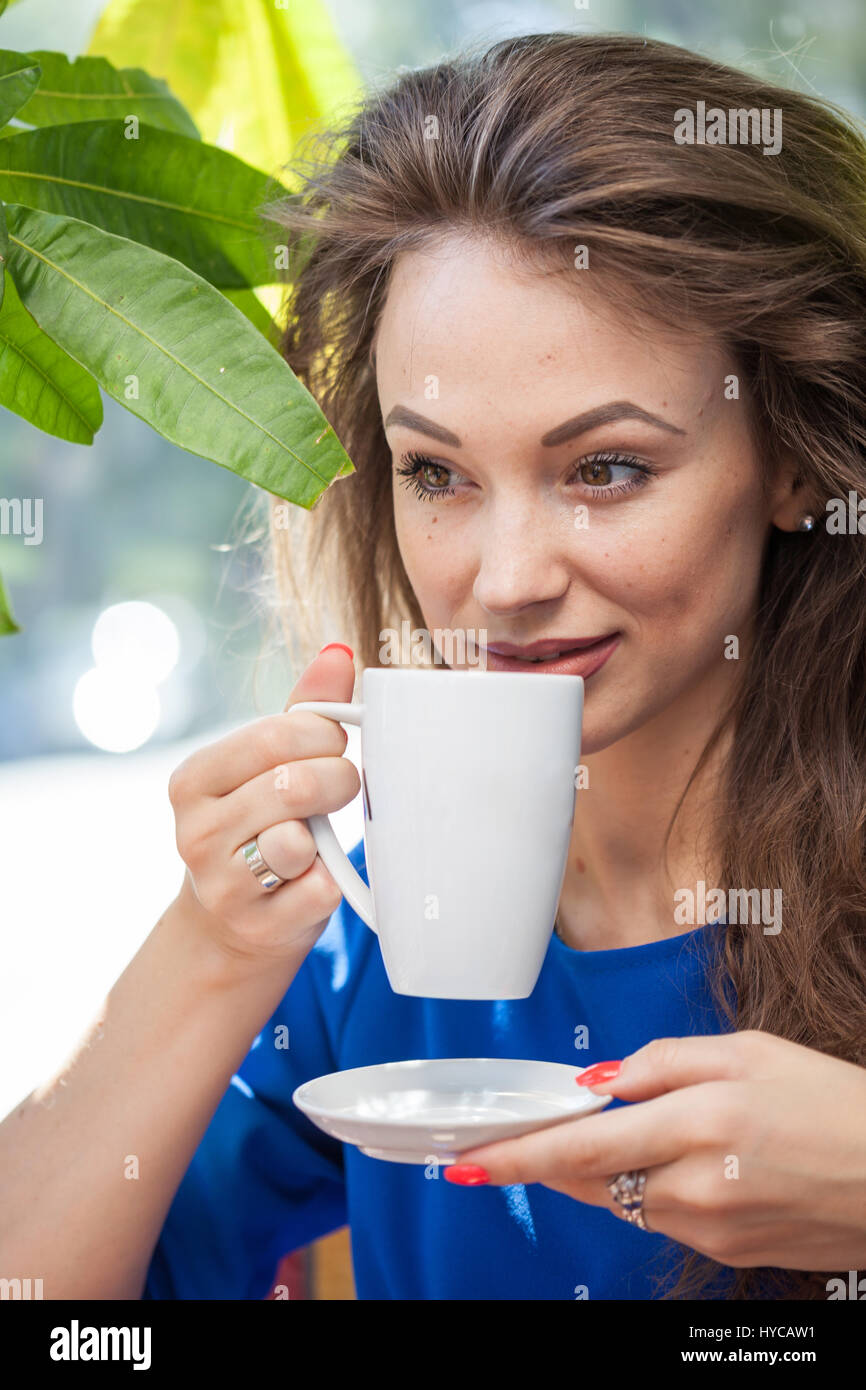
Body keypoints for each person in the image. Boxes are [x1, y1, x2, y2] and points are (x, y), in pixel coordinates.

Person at [2, 30, 866, 1301]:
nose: (504, 576)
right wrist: (208, 947)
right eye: (437, 473)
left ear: (790, 459)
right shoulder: (382, 928)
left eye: (605, 468)